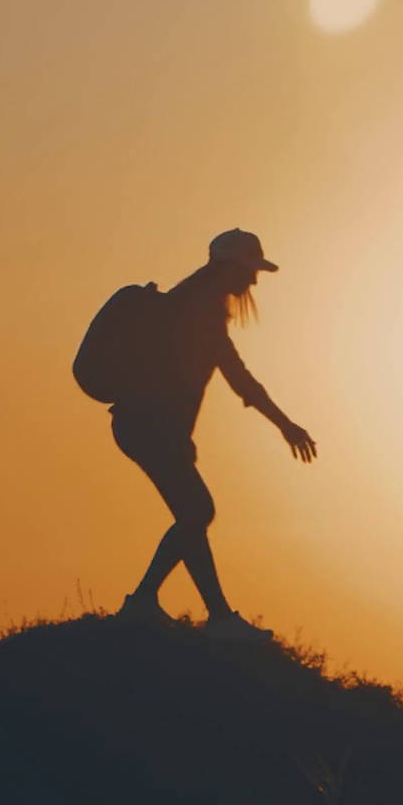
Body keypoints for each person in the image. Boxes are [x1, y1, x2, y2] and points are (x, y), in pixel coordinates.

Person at [103, 228, 317, 643]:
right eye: (250, 270)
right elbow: (239, 379)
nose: (253, 280)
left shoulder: (192, 302)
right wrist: (286, 425)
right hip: (149, 427)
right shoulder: (199, 311)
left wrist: (179, 435)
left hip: (147, 427)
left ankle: (213, 616)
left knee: (192, 516)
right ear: (228, 268)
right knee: (198, 511)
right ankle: (148, 602)